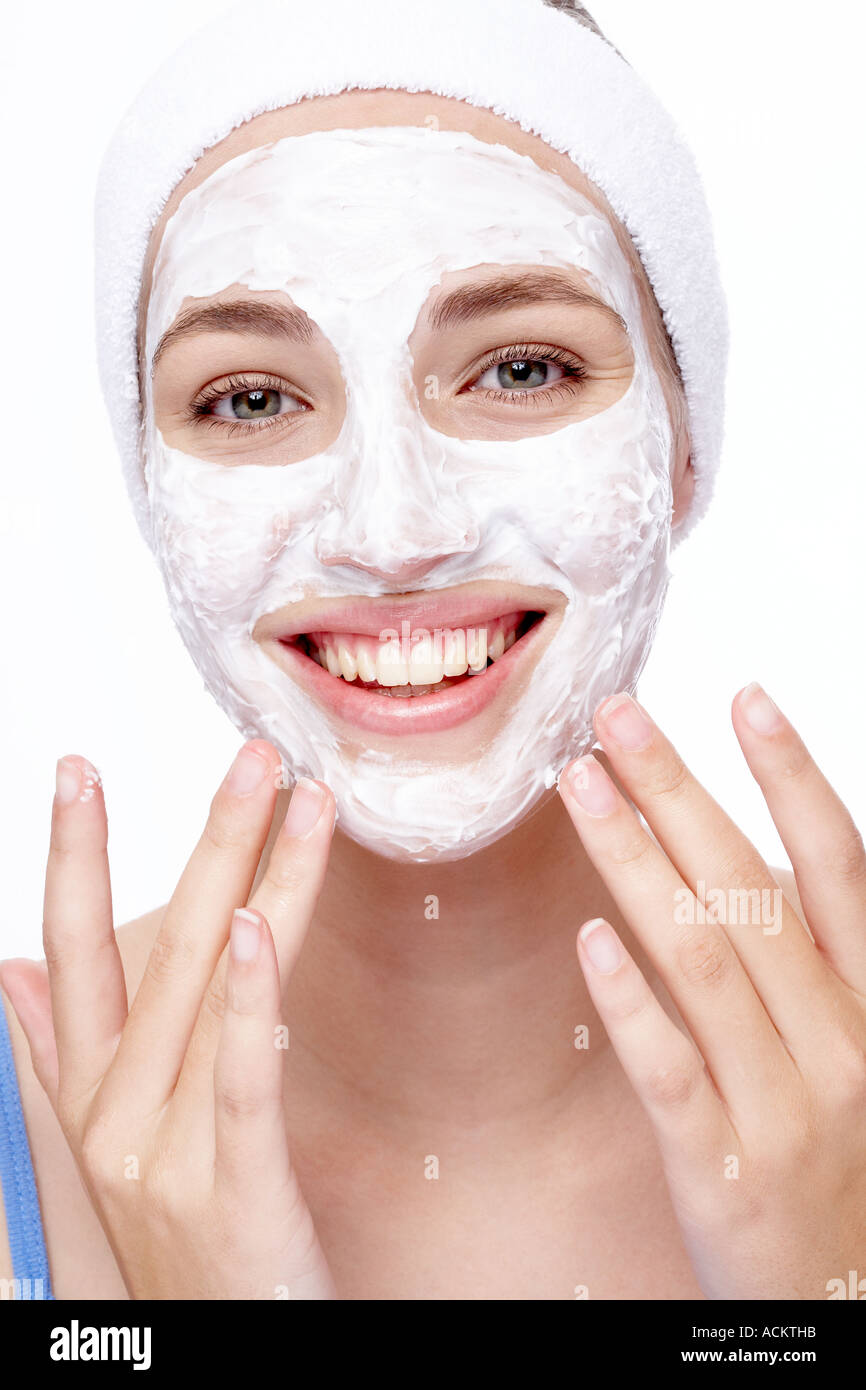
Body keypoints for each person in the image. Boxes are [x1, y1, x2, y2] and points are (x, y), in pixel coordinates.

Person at [1, 0, 864, 1301]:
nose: (392, 534)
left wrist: (825, 1292)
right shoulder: (33, 1122)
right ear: (151, 497)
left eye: (519, 368)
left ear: (684, 450)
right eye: (251, 396)